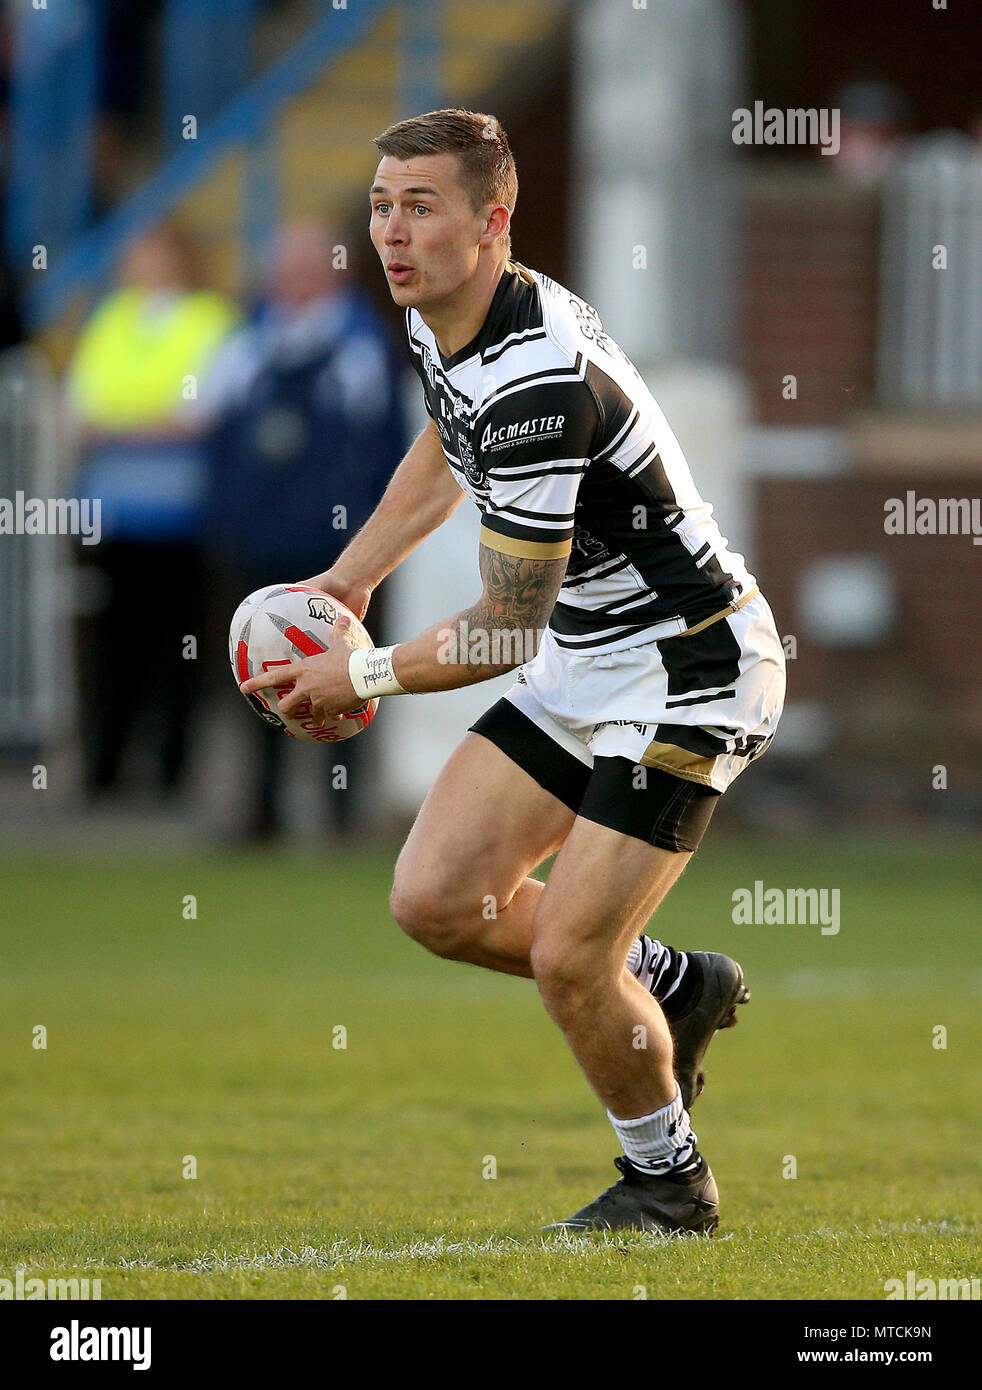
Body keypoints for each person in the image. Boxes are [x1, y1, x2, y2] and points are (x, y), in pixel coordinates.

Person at [241, 109, 786, 1233]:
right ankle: (675, 984)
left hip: (690, 668)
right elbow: (448, 442)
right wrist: (348, 583)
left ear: (494, 221)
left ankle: (667, 1186)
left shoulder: (539, 380)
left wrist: (365, 674)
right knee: (435, 900)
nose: (391, 233)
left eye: (421, 207)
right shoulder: (450, 317)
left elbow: (502, 627)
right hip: (591, 657)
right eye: (382, 205)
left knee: (571, 961)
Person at [203, 220, 407, 838]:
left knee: (347, 670)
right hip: (258, 540)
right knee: (258, 672)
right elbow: (215, 438)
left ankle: (341, 812)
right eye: (284, 268)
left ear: (335, 271)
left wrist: (369, 544)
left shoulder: (362, 345)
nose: (291, 281)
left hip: (339, 548)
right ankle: (260, 810)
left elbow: (388, 452)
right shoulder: (244, 343)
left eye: (305, 267)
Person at [69, 224, 238, 797]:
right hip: (114, 516)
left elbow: (199, 416)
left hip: (181, 517)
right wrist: (152, 423)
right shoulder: (112, 317)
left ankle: (171, 773)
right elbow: (80, 411)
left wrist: (121, 424)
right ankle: (105, 771)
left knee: (178, 646)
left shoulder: (209, 321)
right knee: (113, 646)